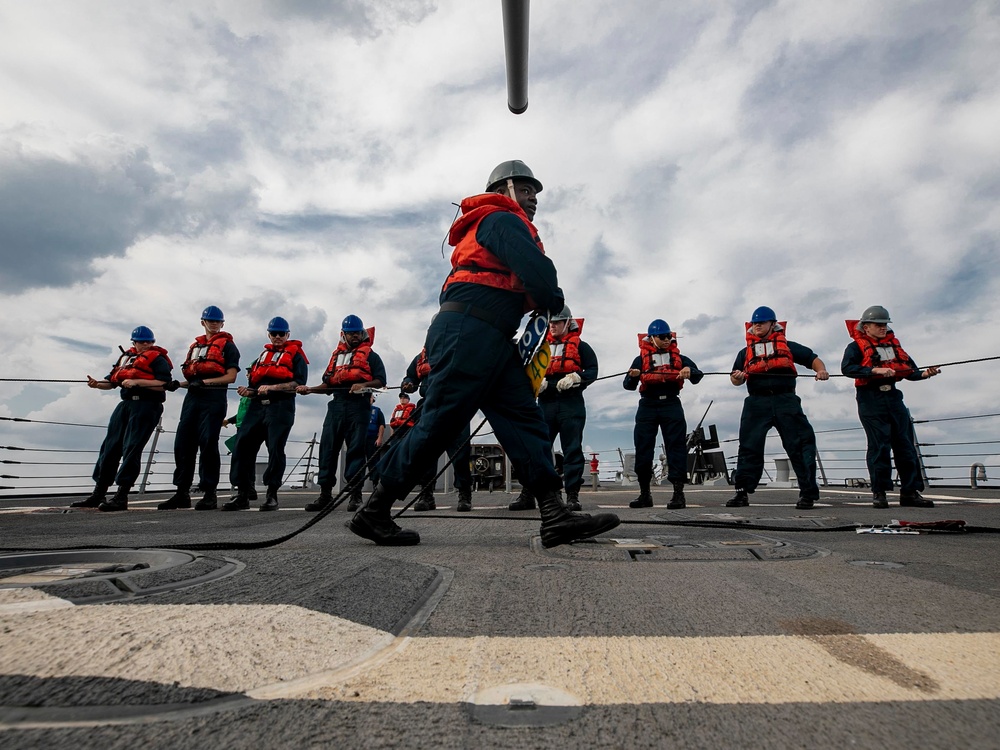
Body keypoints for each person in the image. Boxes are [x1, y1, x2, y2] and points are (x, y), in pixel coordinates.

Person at [348, 160, 620, 546]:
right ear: (503, 190)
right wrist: (553, 300)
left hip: (492, 337)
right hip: (469, 331)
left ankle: (555, 514)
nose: (533, 200)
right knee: (438, 423)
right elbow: (538, 273)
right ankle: (375, 510)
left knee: (525, 418)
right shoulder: (499, 219)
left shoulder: (497, 223)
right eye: (525, 190)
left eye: (536, 194)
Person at [727, 306, 829, 510]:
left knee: (800, 444)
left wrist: (822, 370)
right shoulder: (745, 352)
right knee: (749, 447)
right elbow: (734, 379)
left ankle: (807, 493)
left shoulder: (788, 347)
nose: (757, 325)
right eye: (755, 323)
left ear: (773, 324)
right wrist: (737, 378)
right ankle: (742, 492)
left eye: (762, 322)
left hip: (786, 401)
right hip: (756, 402)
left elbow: (812, 359)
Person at [841, 305, 940, 508]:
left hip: (894, 398)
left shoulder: (894, 346)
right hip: (870, 399)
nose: (883, 328)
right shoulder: (855, 347)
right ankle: (880, 492)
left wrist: (925, 374)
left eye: (885, 324)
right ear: (865, 327)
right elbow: (847, 368)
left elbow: (910, 370)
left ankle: (910, 492)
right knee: (879, 446)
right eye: (878, 325)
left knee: (905, 445)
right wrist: (874, 371)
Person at [71, 326, 172, 512]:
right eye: (143, 342)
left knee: (131, 448)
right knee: (110, 447)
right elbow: (111, 382)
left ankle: (121, 495)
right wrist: (97, 385)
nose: (147, 344)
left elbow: (164, 384)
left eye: (150, 342)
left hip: (146, 406)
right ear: (134, 342)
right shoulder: (126, 358)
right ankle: (98, 492)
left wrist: (138, 382)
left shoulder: (158, 359)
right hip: (125, 405)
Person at [509, 305, 598, 512]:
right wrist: (535, 382)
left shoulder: (582, 347)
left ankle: (573, 495)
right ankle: (528, 493)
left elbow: (593, 370)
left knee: (572, 449)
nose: (553, 326)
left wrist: (578, 378)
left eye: (557, 322)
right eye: (551, 322)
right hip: (545, 402)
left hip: (571, 402)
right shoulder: (541, 347)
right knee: (536, 448)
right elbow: (526, 368)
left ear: (568, 322)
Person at [301, 315, 386, 512]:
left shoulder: (371, 356)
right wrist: (310, 389)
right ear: (343, 335)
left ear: (362, 333)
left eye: (357, 333)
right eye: (351, 333)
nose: (355, 336)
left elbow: (381, 381)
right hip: (337, 405)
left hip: (359, 406)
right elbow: (328, 386)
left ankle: (355, 496)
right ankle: (325, 495)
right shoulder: (335, 358)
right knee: (327, 449)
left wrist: (363, 385)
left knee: (356, 450)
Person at [158, 306, 240, 511]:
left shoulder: (228, 347)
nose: (213, 324)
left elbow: (230, 377)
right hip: (192, 398)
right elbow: (193, 379)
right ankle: (181, 493)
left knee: (208, 443)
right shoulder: (195, 347)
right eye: (209, 320)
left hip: (214, 399)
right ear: (202, 322)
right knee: (183, 444)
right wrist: (178, 384)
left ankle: (210, 493)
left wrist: (204, 383)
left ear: (222, 324)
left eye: (217, 321)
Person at [223, 317, 308, 511]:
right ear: (268, 334)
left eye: (281, 334)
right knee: (242, 446)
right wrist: (248, 391)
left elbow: (298, 383)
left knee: (275, 449)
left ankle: (272, 495)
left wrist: (273, 387)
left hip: (280, 407)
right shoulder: (262, 357)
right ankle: (243, 493)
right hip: (256, 407)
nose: (277, 337)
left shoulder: (297, 356)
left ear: (288, 335)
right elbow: (255, 385)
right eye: (274, 334)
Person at [623, 320, 703, 509]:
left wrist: (689, 371)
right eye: (662, 336)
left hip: (671, 403)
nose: (667, 339)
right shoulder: (640, 359)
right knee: (643, 447)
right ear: (652, 338)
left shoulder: (680, 357)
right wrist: (632, 376)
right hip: (648, 404)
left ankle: (678, 494)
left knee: (676, 447)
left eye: (669, 336)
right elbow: (627, 385)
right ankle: (644, 494)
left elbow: (699, 376)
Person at [402, 347, 475, 513]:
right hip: (429, 406)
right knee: (425, 452)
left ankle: (464, 494)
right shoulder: (420, 358)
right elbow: (410, 377)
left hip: (456, 405)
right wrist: (407, 384)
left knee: (460, 452)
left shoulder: (460, 350)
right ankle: (426, 495)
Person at [365, 393, 386, 487]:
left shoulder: (377, 411)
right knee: (358, 460)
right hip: (360, 438)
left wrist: (379, 438)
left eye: (371, 397)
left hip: (372, 438)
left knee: (373, 461)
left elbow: (381, 425)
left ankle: (375, 482)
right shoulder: (359, 410)